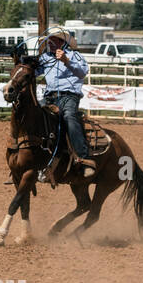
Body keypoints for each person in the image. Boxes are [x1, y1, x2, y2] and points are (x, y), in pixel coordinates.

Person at [37, 26, 94, 179]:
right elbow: (34, 71)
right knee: (35, 116)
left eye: (54, 40)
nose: (50, 43)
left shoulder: (75, 56)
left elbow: (82, 72)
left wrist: (66, 61)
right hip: (50, 97)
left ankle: (84, 159)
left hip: (69, 96)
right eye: (49, 40)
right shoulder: (45, 58)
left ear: (62, 43)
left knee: (69, 116)